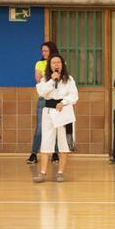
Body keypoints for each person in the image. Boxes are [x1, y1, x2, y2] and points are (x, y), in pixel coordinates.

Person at [35, 54, 79, 183]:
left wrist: (64, 102)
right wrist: (51, 80)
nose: (56, 65)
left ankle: (60, 172)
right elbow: (41, 92)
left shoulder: (69, 79)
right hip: (48, 112)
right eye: (53, 62)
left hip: (64, 111)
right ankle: (42, 172)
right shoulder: (45, 79)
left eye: (58, 62)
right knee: (46, 141)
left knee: (63, 143)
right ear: (49, 65)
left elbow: (74, 96)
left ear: (62, 64)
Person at [29, 41, 60, 164]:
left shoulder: (59, 63)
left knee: (57, 126)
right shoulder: (40, 63)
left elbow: (61, 78)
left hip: (57, 99)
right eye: (42, 51)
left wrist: (46, 77)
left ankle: (56, 153)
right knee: (40, 127)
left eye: (46, 50)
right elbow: (38, 79)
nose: (44, 53)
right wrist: (49, 76)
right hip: (44, 99)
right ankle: (33, 153)